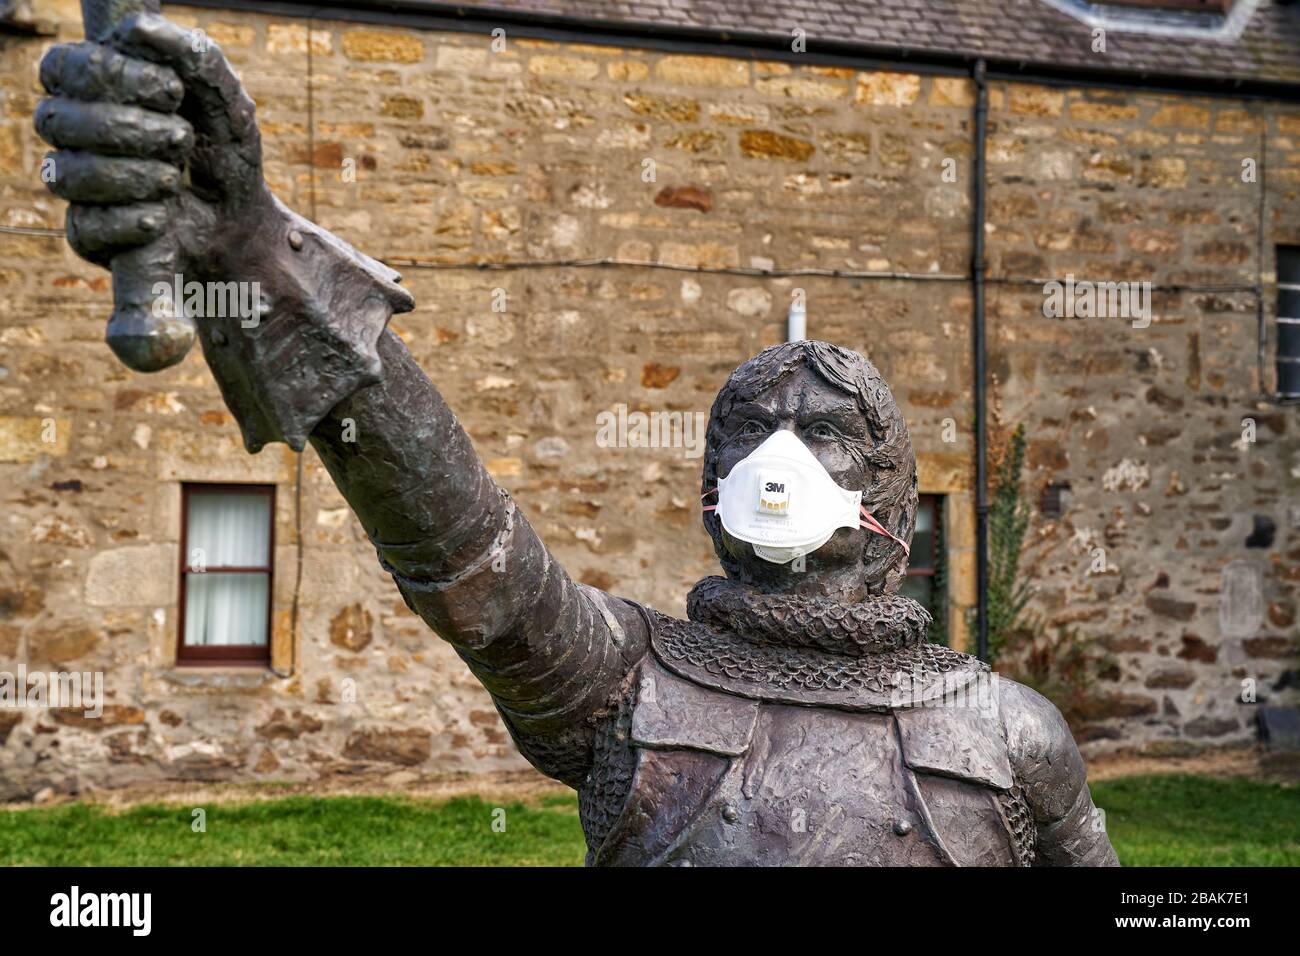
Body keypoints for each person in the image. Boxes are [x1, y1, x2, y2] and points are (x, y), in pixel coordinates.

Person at [35, 12, 1119, 866]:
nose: (775, 454)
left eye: (824, 430)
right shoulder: (628, 682)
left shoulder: (1007, 733)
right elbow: (475, 563)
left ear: (887, 494)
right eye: (749, 427)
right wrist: (252, 244)